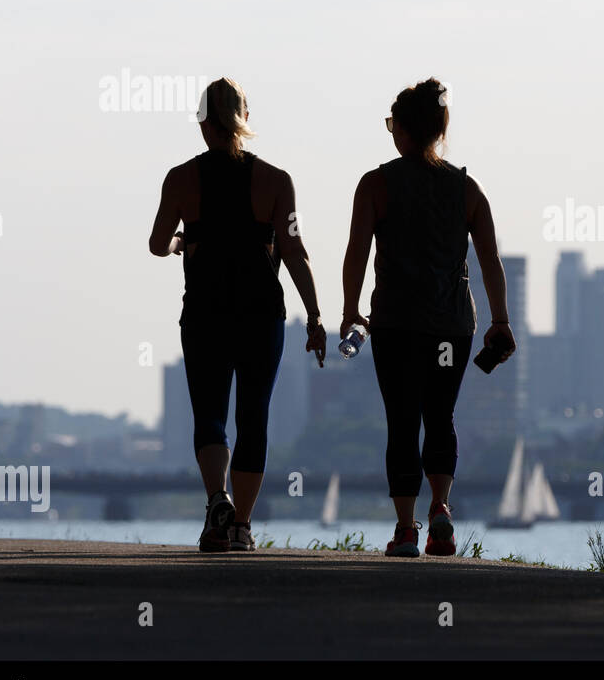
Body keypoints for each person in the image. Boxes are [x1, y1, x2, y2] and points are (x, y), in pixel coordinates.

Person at [150, 77, 327, 552]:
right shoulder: (276, 181)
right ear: (245, 121)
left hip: (205, 311)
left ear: (204, 123)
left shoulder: (181, 179)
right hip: (261, 315)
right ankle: (242, 526)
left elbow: (156, 243)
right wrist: (314, 316)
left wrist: (180, 243)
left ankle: (216, 504)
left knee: (209, 414)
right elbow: (295, 252)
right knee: (254, 417)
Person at [340, 78, 515, 558]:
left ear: (404, 130)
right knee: (441, 416)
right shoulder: (467, 188)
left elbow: (356, 252)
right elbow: (490, 263)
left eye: (393, 124)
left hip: (396, 324)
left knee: (402, 421)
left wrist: (351, 309)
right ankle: (441, 508)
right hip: (452, 328)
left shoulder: (376, 184)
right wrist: (500, 320)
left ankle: (405, 529)